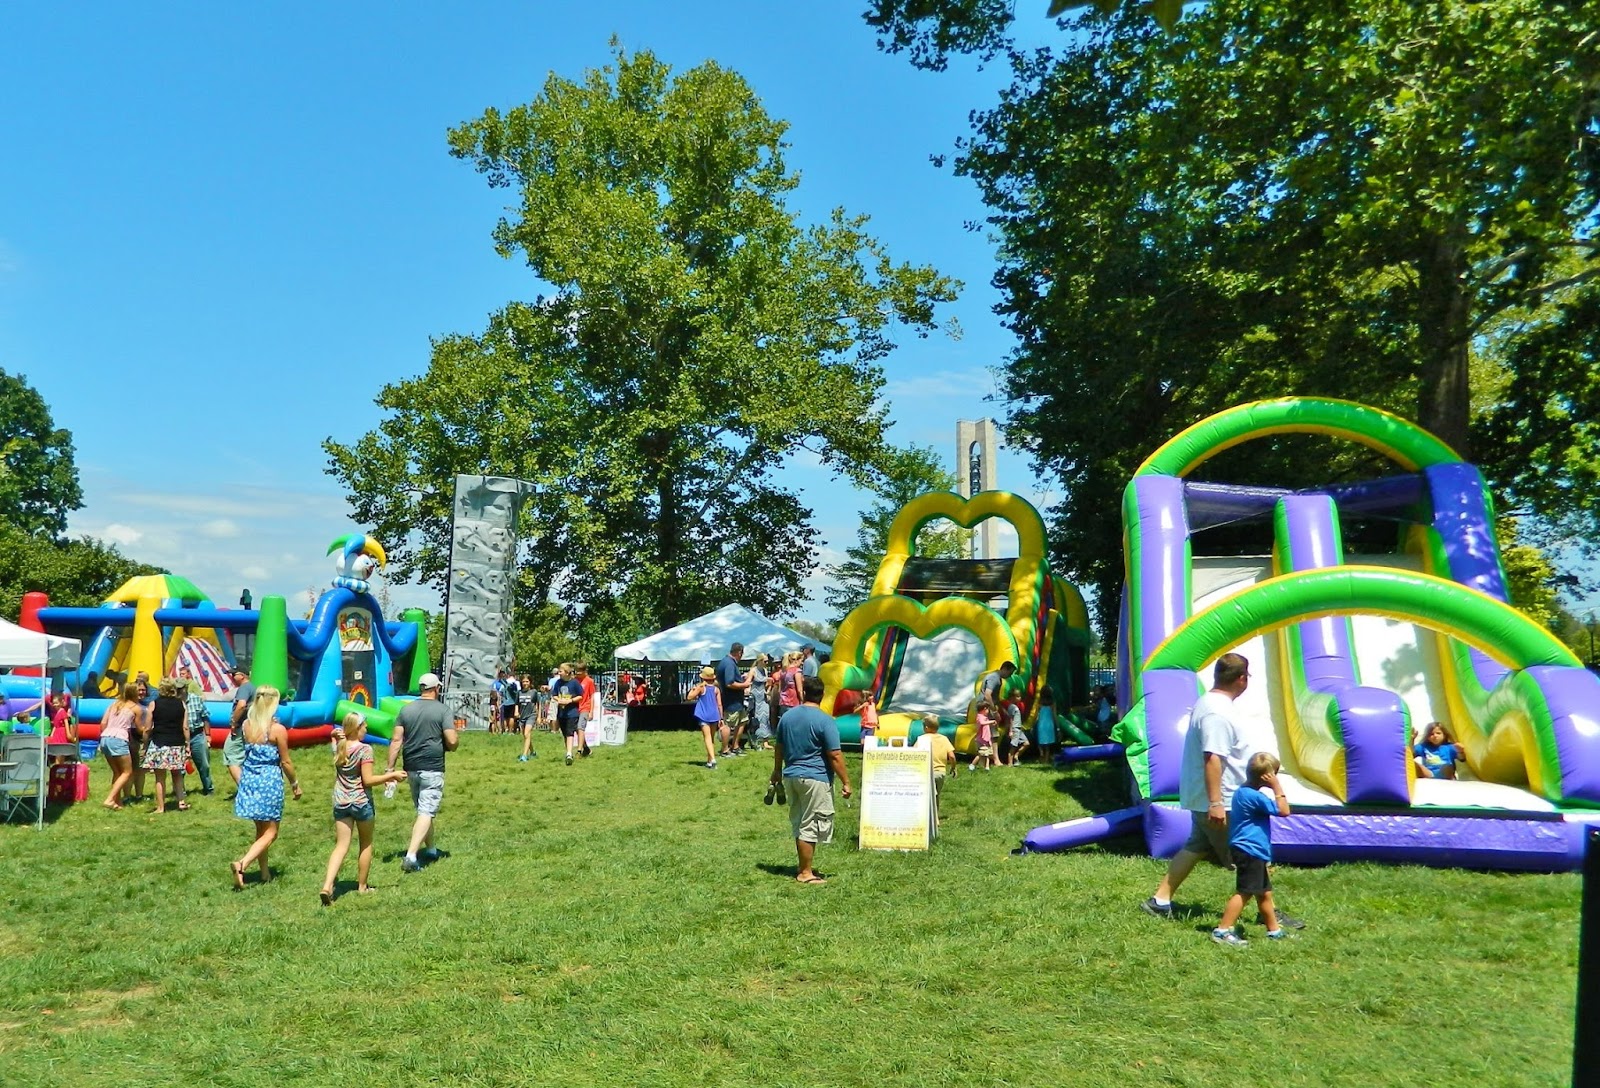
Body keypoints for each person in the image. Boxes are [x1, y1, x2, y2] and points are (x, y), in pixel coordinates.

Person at [1140, 653, 1304, 929]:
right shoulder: (1218, 712)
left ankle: (1160, 900)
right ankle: (1267, 916)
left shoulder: (1210, 702)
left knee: (1196, 846)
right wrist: (1216, 802)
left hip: (1208, 797)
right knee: (1252, 857)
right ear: (1241, 679)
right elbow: (1213, 758)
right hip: (1223, 801)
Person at [770, 676, 851, 884]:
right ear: (822, 695)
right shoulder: (825, 720)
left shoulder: (787, 718)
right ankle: (805, 873)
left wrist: (777, 771)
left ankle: (803, 867)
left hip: (791, 776)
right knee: (811, 824)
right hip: (815, 778)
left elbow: (778, 747)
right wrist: (846, 781)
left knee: (799, 822)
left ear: (803, 692)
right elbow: (835, 755)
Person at [320, 711, 407, 905]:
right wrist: (392, 776)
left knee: (341, 846)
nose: (367, 729)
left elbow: (334, 738)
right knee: (365, 844)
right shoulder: (365, 749)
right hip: (361, 801)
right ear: (357, 728)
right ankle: (362, 887)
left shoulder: (339, 747)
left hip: (340, 801)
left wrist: (335, 735)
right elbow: (367, 780)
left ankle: (327, 886)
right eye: (364, 726)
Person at [1212, 752, 1292, 946]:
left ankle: (1274, 931)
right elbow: (1284, 810)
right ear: (1267, 776)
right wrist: (1277, 786)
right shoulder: (1254, 797)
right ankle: (1222, 931)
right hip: (1249, 850)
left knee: (1264, 893)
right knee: (1245, 891)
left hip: (1249, 849)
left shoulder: (1242, 791)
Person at [230, 686, 302, 888]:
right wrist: (295, 784)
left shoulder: (246, 725)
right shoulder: (277, 730)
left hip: (250, 780)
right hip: (268, 782)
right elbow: (286, 762)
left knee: (261, 831)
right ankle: (242, 863)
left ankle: (264, 874)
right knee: (271, 832)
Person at [386, 672, 459, 872]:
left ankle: (432, 849)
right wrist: (454, 740)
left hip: (411, 767)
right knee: (426, 812)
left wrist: (390, 769)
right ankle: (411, 856)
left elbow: (396, 741)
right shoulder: (443, 710)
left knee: (423, 810)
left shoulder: (405, 710)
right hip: (433, 767)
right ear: (437, 688)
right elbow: (452, 742)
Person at [143, 678, 192, 813]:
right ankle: (181, 802)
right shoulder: (181, 704)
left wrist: (145, 744)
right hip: (177, 743)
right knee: (177, 774)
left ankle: (160, 807)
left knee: (160, 777)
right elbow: (185, 727)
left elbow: (147, 727)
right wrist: (187, 745)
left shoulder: (154, 704)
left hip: (160, 743)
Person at [98, 682, 140, 809]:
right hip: (119, 738)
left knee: (117, 772)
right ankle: (110, 799)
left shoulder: (114, 705)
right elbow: (138, 728)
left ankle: (117, 801)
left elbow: (103, 723)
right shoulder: (135, 708)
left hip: (105, 737)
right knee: (127, 772)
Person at [913, 714, 957, 822]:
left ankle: (926, 818)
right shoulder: (944, 739)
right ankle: (935, 817)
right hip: (940, 772)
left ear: (926, 728)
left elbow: (913, 752)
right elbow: (951, 756)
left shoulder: (922, 739)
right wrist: (953, 767)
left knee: (926, 795)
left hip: (927, 771)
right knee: (936, 795)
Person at [180, 669, 215, 796]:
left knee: (204, 765)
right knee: (180, 768)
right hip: (180, 738)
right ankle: (180, 791)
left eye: (181, 688)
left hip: (197, 735)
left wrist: (208, 735)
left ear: (185, 688)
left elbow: (205, 717)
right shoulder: (174, 702)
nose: (179, 691)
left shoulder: (196, 699)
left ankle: (208, 788)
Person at [224, 665, 255, 792]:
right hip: (249, 726)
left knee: (231, 756)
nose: (232, 677)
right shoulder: (252, 687)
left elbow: (241, 705)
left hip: (240, 727)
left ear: (242, 675)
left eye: (234, 674)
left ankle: (245, 789)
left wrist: (234, 722)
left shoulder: (244, 688)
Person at [716, 642, 750, 754]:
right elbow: (729, 683)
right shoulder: (729, 664)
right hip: (730, 701)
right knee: (728, 725)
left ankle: (735, 746)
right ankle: (725, 750)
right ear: (739, 652)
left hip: (737, 702)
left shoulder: (726, 662)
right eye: (742, 653)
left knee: (743, 721)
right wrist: (744, 685)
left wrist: (740, 678)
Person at [690, 666, 724, 769]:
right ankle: (709, 760)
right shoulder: (716, 689)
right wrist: (721, 718)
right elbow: (719, 704)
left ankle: (713, 760)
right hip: (714, 715)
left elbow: (689, 697)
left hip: (704, 715)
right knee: (711, 738)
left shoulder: (701, 687)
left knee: (707, 738)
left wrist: (694, 688)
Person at [130, 672, 152, 801]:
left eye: (144, 690)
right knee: (132, 769)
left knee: (140, 769)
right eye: (139, 690)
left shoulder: (145, 707)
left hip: (140, 738)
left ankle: (138, 794)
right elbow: (140, 727)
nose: (142, 692)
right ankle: (130, 795)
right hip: (134, 738)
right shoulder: (137, 708)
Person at [747, 653, 773, 749]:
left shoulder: (765, 671)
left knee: (765, 717)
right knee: (756, 719)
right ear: (759, 661)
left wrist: (768, 690)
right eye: (765, 661)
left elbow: (766, 684)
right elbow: (748, 682)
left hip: (763, 697)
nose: (766, 663)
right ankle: (755, 740)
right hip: (754, 697)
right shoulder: (753, 671)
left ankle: (765, 741)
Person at [971, 697, 999, 771]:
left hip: (986, 739)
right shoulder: (979, 717)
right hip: (981, 739)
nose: (988, 711)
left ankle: (987, 767)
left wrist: (991, 724)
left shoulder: (985, 717)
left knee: (987, 754)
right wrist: (991, 721)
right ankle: (972, 765)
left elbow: (985, 725)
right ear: (984, 709)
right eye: (987, 709)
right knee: (981, 754)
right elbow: (982, 723)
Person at [575, 663, 597, 758]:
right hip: (575, 707)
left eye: (580, 672)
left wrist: (591, 711)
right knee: (576, 729)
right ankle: (586, 748)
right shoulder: (574, 680)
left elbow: (592, 696)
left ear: (585, 671)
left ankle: (579, 751)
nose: (578, 674)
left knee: (580, 727)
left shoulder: (589, 681)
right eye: (577, 671)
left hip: (585, 707)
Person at [1034, 687, 1059, 763]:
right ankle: (1046, 759)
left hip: (1041, 724)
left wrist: (1034, 723)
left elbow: (1036, 715)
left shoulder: (1039, 703)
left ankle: (1041, 754)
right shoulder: (1052, 703)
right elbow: (1054, 715)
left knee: (1040, 741)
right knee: (1047, 744)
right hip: (1049, 724)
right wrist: (1058, 727)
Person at [777, 651, 803, 722]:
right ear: (796, 660)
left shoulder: (783, 671)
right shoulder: (797, 671)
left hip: (783, 701)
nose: (802, 663)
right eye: (801, 660)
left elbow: (779, 689)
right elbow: (799, 690)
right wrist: (803, 700)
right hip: (793, 702)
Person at [1003, 699, 1030, 765]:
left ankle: (1016, 755)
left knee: (1026, 743)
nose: (1019, 698)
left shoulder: (1015, 706)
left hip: (1019, 728)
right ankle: (1010, 763)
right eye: (1017, 696)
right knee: (1013, 746)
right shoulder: (1012, 707)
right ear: (1012, 697)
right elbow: (1010, 719)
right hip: (1015, 728)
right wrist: (1011, 730)